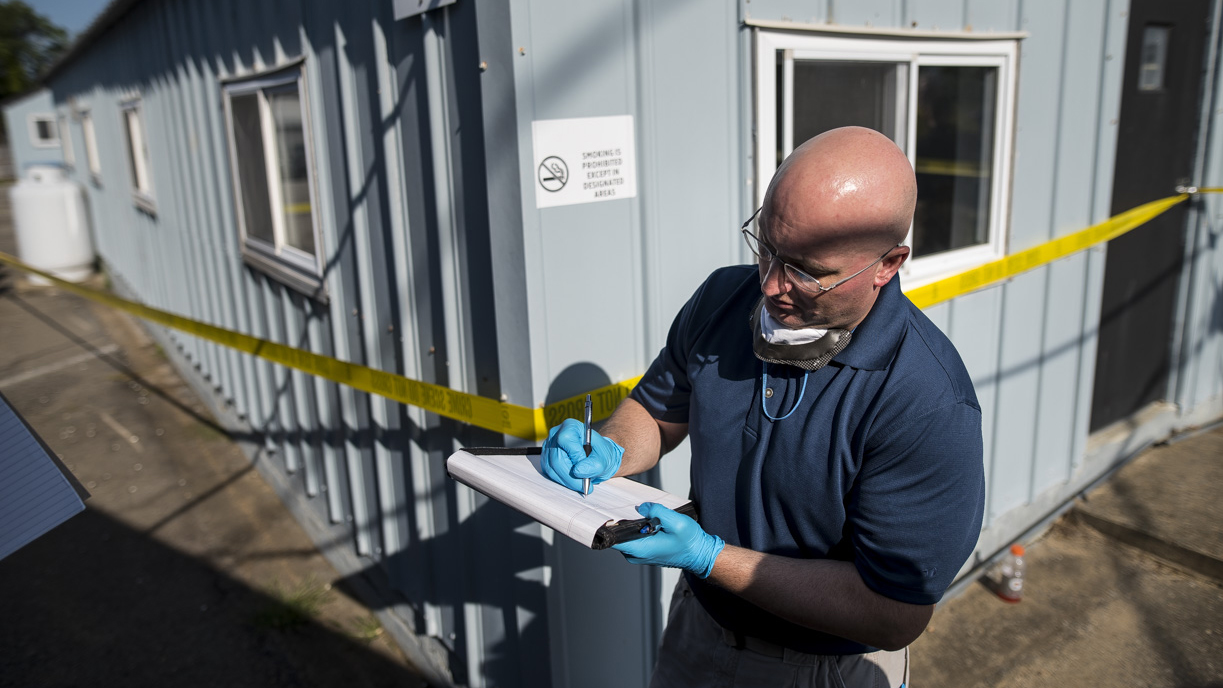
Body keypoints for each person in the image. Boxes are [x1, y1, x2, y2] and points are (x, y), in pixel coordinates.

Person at [540, 126, 985, 687]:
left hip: (825, 668)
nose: (772, 285)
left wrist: (709, 557)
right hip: (698, 628)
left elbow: (893, 612)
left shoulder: (927, 401)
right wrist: (609, 447)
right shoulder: (723, 300)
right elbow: (657, 409)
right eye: (767, 247)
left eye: (807, 270)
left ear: (887, 264)